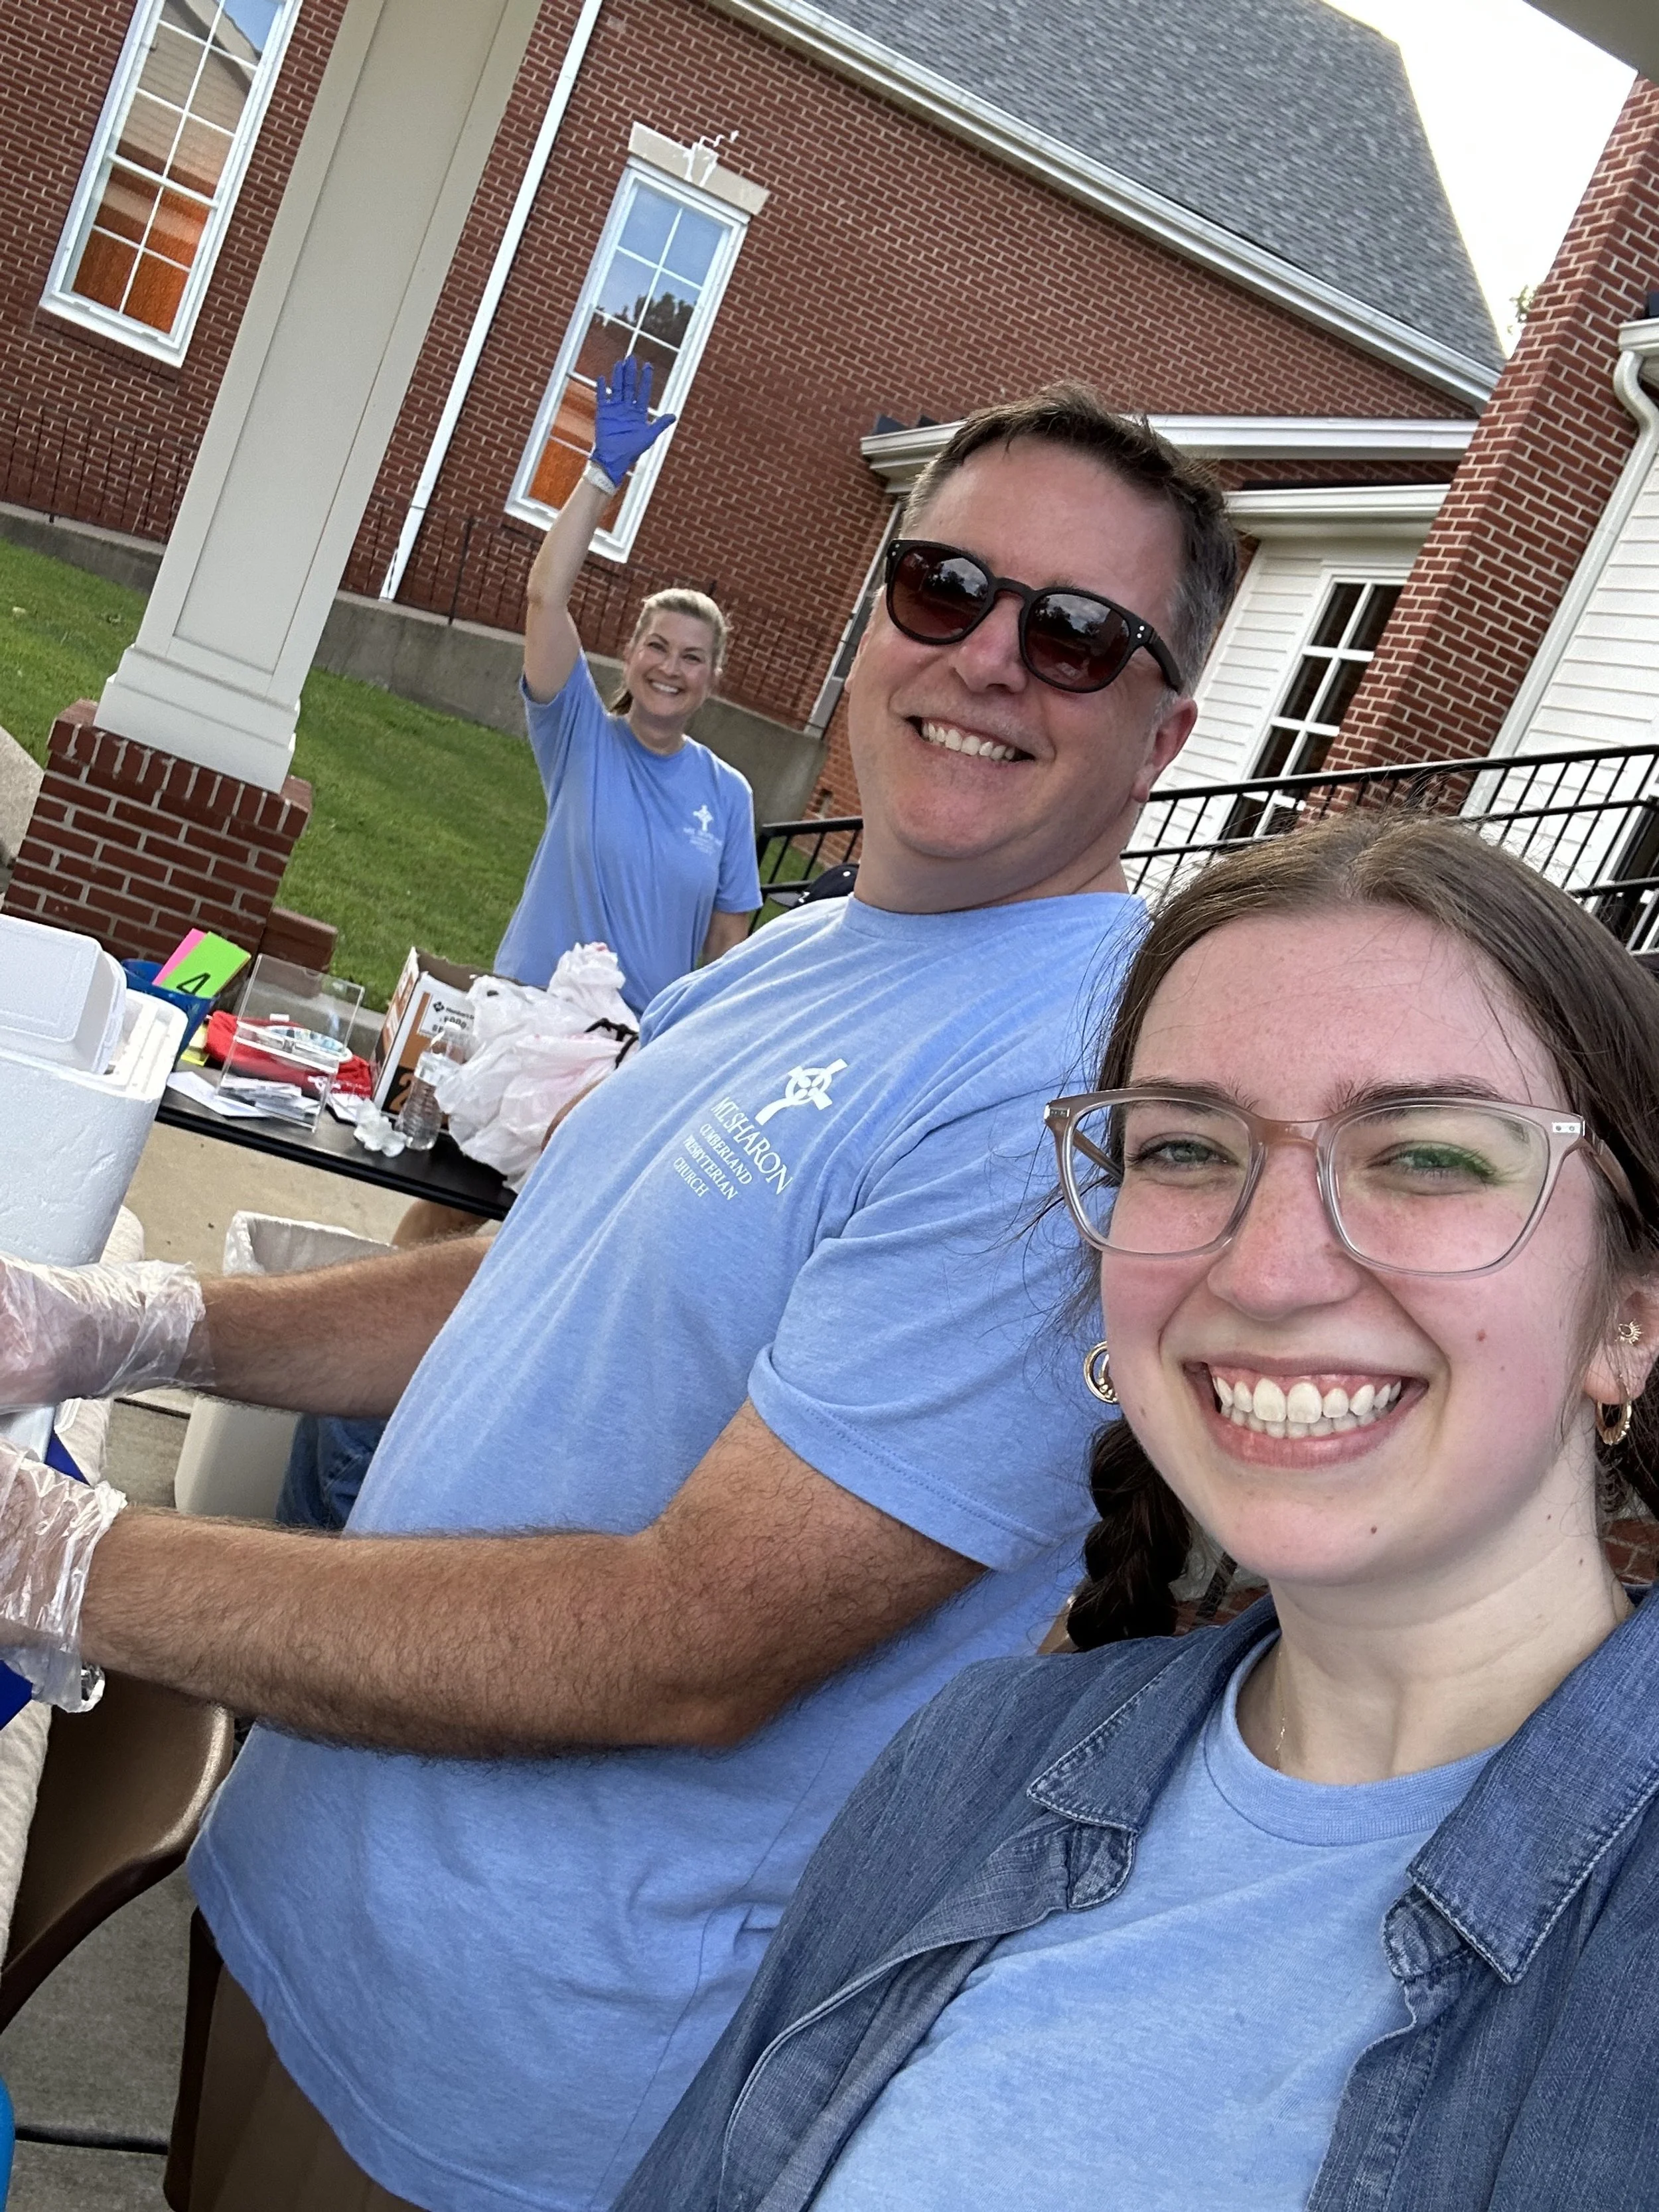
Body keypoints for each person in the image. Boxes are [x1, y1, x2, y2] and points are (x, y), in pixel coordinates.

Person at [0, 385, 1236, 2211]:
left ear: (1164, 728)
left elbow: (693, 1641)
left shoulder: (1065, 1094)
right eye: (942, 587)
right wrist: (124, 1316)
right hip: (309, 1883)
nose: (987, 659)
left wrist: (64, 1559)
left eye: (1072, 635)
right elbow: (533, 1277)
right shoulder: (816, 944)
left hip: (507, 2064)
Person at [618, 813, 1659, 2212]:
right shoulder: (970, 1764)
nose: (1269, 1268)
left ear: (1629, 1316)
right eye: (1181, 1147)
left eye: (1426, 1155)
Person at [495, 356, 762, 1018]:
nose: (671, 668)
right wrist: (599, 477)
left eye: (692, 658)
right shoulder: (578, 733)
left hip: (631, 1043)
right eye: (659, 646)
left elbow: (728, 945)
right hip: (531, 1014)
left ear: (711, 680)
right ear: (631, 653)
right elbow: (543, 599)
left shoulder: (729, 795)